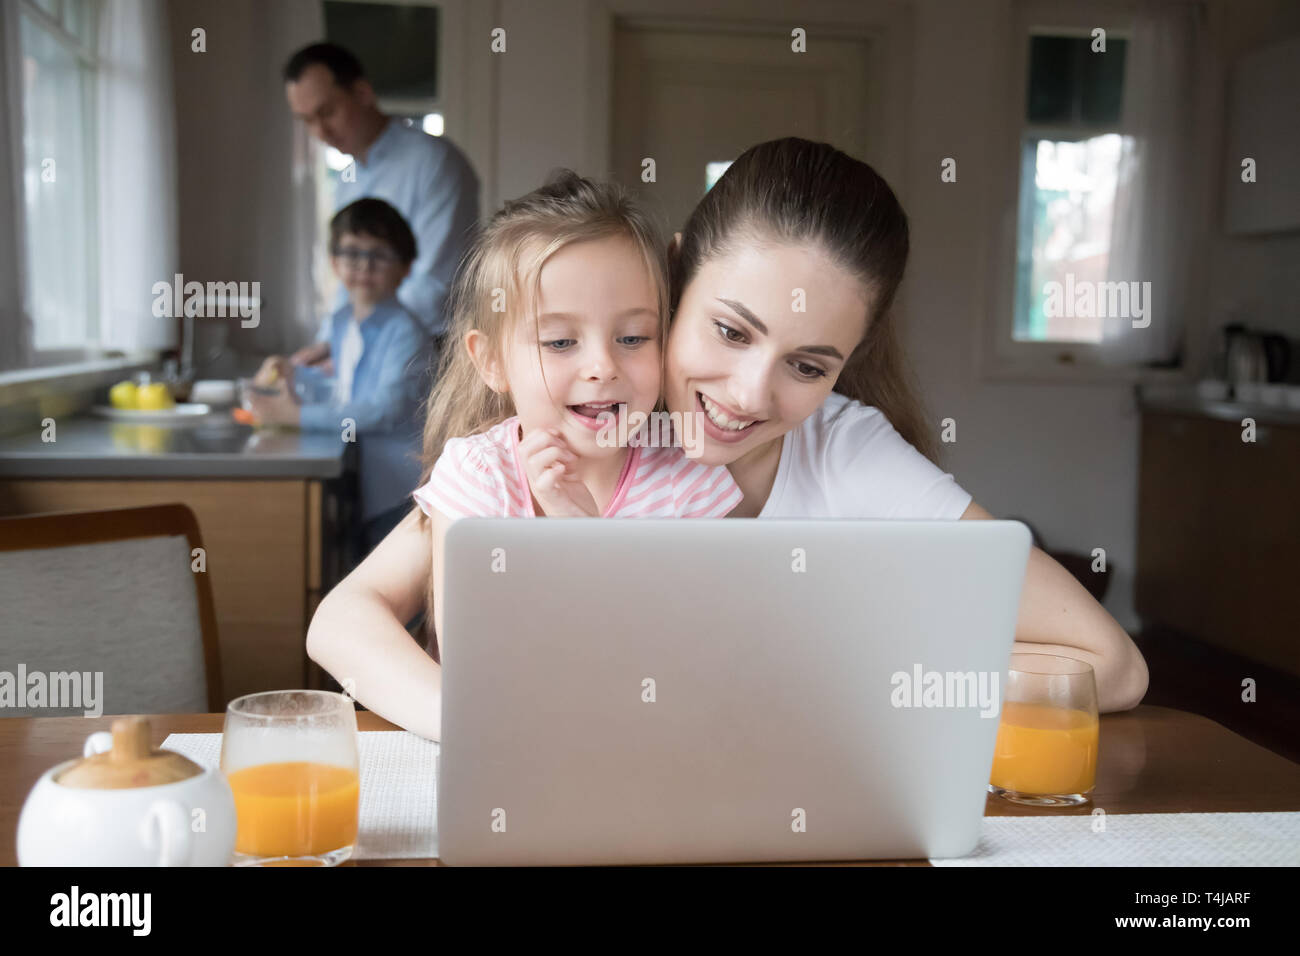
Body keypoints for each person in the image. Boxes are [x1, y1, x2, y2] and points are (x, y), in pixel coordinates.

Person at [306, 142, 1148, 742]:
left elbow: (1112, 666)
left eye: (808, 364)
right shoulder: (542, 442)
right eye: (730, 330)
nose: (749, 397)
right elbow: (349, 618)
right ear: (672, 281)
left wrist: (859, 669)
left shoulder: (847, 455)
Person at [249, 198, 428, 550]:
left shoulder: (406, 331)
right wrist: (294, 374)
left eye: (379, 255)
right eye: (351, 253)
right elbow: (346, 389)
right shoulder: (342, 321)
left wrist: (296, 415)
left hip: (401, 485)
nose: (364, 266)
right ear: (334, 262)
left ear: (405, 267)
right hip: (365, 476)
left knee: (398, 582)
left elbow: (383, 408)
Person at [283, 41, 478, 358]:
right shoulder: (348, 179)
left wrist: (352, 342)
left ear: (362, 93)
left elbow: (436, 284)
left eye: (327, 112)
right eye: (306, 120)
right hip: (368, 348)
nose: (320, 131)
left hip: (430, 353)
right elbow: (350, 281)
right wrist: (326, 345)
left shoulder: (433, 162)